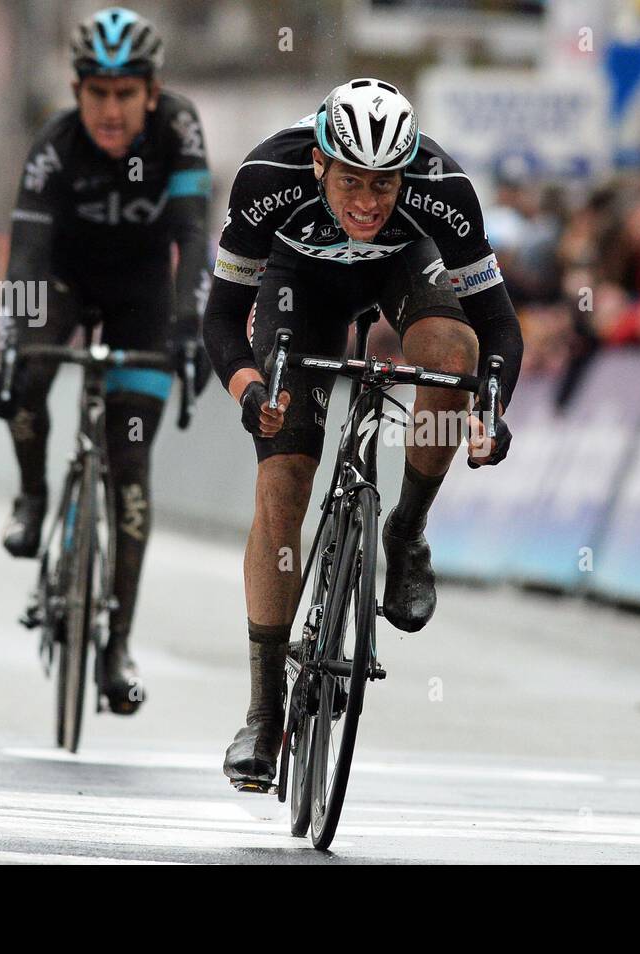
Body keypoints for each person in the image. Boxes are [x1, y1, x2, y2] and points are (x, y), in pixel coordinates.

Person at [203, 78, 523, 786]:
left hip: (401, 272)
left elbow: (499, 324)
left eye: (385, 184)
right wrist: (248, 388)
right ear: (320, 163)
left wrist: (489, 408)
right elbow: (221, 317)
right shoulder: (267, 177)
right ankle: (264, 712)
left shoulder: (445, 189)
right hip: (296, 287)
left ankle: (404, 533)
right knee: (283, 483)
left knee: (452, 356)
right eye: (352, 181)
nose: (369, 202)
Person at [0, 7, 211, 714]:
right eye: (96, 94)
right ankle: (32, 493)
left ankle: (116, 645)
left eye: (124, 94)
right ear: (77, 91)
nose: (110, 111)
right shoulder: (54, 146)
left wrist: (190, 329)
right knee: (33, 368)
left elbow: (194, 237)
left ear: (152, 91)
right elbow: (23, 259)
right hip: (61, 281)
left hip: (142, 293)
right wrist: (14, 347)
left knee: (130, 462)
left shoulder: (178, 130)